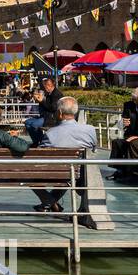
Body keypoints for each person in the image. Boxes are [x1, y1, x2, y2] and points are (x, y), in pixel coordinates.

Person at [33, 97, 99, 229]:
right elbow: (93, 149)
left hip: (59, 174)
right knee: (69, 172)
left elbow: (41, 154)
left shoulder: (51, 133)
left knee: (31, 175)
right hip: (83, 175)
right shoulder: (90, 130)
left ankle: (50, 202)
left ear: (60, 113)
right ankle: (50, 203)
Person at [25, 77, 61, 145]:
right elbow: (44, 106)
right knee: (27, 122)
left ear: (50, 85)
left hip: (52, 118)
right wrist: (38, 100)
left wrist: (42, 101)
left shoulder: (56, 94)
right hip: (45, 116)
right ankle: (37, 141)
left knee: (34, 124)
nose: (45, 87)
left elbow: (53, 108)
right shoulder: (48, 93)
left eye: (46, 85)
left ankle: (41, 142)